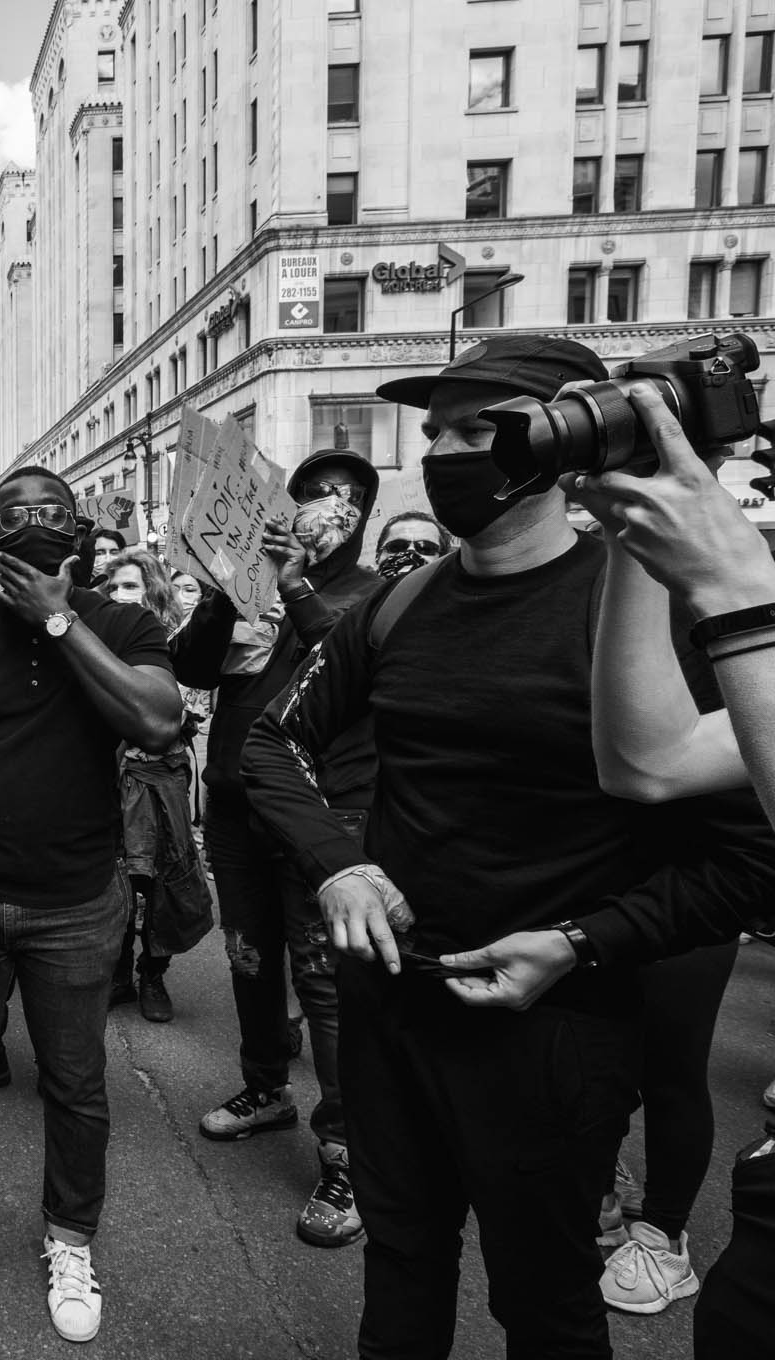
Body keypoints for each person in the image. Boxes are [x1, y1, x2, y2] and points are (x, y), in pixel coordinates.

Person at [240, 336, 775, 1358]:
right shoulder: (397, 602)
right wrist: (339, 861)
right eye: (435, 431)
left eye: (477, 431)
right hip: (391, 1012)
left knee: (543, 1301)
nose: (445, 453)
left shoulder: (649, 605)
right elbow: (271, 741)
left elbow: (748, 865)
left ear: (560, 440)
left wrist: (578, 942)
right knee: (401, 1265)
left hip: (553, 1035)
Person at [0, 467, 181, 1344]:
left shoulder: (125, 623)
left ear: (78, 527)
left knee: (77, 1084)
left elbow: (157, 722)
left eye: (50, 513)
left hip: (77, 902)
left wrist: (60, 619)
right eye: (13, 516)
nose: (32, 525)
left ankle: (70, 1237)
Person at [169, 447, 382, 1250]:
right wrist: (228, 590)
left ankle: (347, 1149)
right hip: (236, 803)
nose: (328, 506)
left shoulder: (374, 592)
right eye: (314, 494)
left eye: (346, 497)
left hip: (323, 812)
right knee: (250, 958)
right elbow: (191, 664)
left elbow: (346, 668)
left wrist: (293, 586)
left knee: (324, 981)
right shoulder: (247, 580)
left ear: (360, 518)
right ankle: (267, 1088)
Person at [104, 548, 213, 1023]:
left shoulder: (177, 644)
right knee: (118, 877)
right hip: (112, 777)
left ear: (153, 591)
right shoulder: (100, 641)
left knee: (162, 877)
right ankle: (119, 975)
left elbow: (188, 708)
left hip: (162, 777)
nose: (121, 595)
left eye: (131, 586)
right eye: (114, 587)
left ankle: (154, 972)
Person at [372, 512, 451, 580]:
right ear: (378, 556)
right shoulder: (362, 595)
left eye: (425, 548)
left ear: (442, 559)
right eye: (396, 546)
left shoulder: (455, 597)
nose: (410, 551)